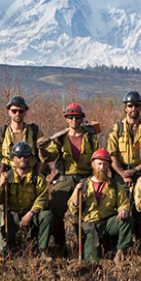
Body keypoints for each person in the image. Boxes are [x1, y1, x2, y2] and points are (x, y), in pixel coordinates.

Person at [39, 103, 98, 251]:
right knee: (55, 207)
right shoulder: (60, 138)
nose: (73, 120)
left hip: (86, 178)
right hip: (65, 178)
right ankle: (59, 244)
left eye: (77, 117)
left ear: (82, 119)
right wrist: (42, 148)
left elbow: (97, 159)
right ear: (66, 119)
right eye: (70, 117)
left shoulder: (90, 138)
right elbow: (50, 156)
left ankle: (86, 246)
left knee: (87, 211)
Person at [67, 148, 133, 262]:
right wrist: (77, 192)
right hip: (90, 225)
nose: (102, 167)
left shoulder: (115, 185)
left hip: (108, 223)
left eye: (105, 164)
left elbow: (124, 203)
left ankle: (121, 252)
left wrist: (124, 210)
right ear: (93, 164)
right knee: (92, 261)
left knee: (127, 220)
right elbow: (73, 209)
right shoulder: (83, 185)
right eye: (99, 164)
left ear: (109, 166)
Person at [0, 142, 53, 256]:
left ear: (31, 158)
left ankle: (42, 251)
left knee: (46, 216)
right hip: (13, 215)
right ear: (13, 158)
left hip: (32, 215)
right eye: (19, 156)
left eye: (26, 156)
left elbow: (43, 198)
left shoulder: (38, 178)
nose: (23, 159)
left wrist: (31, 213)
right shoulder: (7, 177)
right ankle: (7, 250)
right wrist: (1, 186)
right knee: (7, 227)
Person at [0, 95, 43, 193]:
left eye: (21, 111)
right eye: (14, 111)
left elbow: (43, 157)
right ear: (9, 112)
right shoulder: (1, 133)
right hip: (8, 177)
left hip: (30, 178)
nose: (17, 113)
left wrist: (38, 175)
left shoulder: (34, 132)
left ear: (25, 112)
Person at [106, 91, 141, 191]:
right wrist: (123, 174)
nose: (133, 109)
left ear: (140, 107)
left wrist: (134, 171)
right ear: (125, 108)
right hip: (120, 174)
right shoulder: (116, 129)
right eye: (130, 106)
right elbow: (111, 155)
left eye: (136, 105)